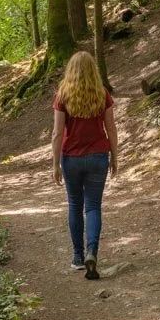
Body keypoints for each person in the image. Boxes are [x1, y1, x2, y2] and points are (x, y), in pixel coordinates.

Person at [51, 50, 118, 281]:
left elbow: (57, 133)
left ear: (71, 70)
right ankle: (92, 251)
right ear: (93, 70)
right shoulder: (102, 94)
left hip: (71, 158)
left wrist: (55, 164)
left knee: (74, 205)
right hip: (98, 156)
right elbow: (111, 129)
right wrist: (115, 157)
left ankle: (78, 257)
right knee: (93, 207)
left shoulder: (63, 95)